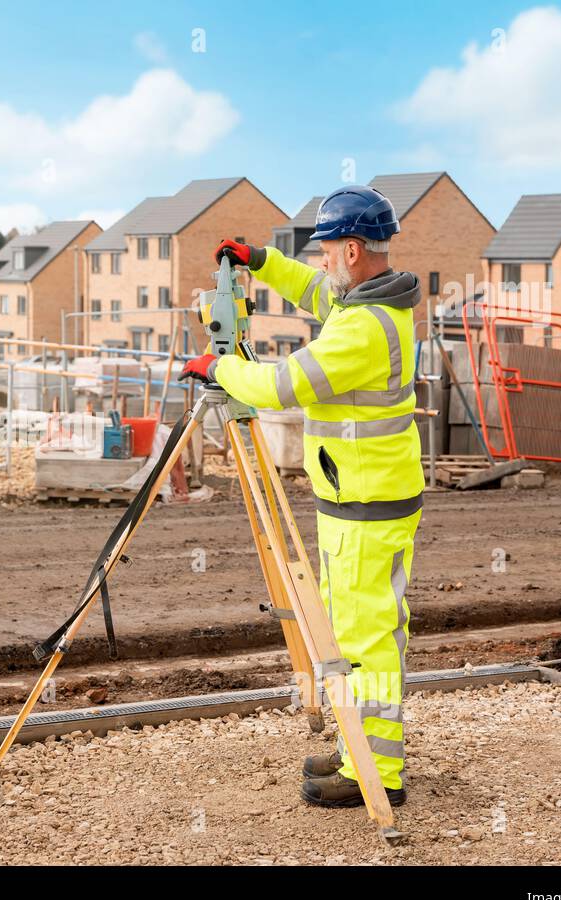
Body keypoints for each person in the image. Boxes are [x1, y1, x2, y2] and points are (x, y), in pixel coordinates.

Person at [180, 185, 423, 808]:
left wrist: (219, 369)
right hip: (358, 498)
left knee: (367, 640)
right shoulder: (363, 302)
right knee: (351, 631)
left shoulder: (366, 330)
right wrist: (263, 261)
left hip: (368, 506)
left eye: (322, 254)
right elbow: (316, 294)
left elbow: (281, 386)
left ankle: (377, 776)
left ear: (350, 250)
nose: (318, 266)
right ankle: (355, 750)